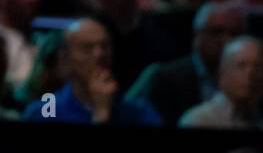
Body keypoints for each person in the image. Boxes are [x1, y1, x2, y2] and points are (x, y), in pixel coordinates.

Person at [21, 18, 160, 125]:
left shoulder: (138, 111)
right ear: (65, 59)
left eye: (105, 46)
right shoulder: (44, 112)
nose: (99, 54)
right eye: (86, 48)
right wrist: (100, 117)